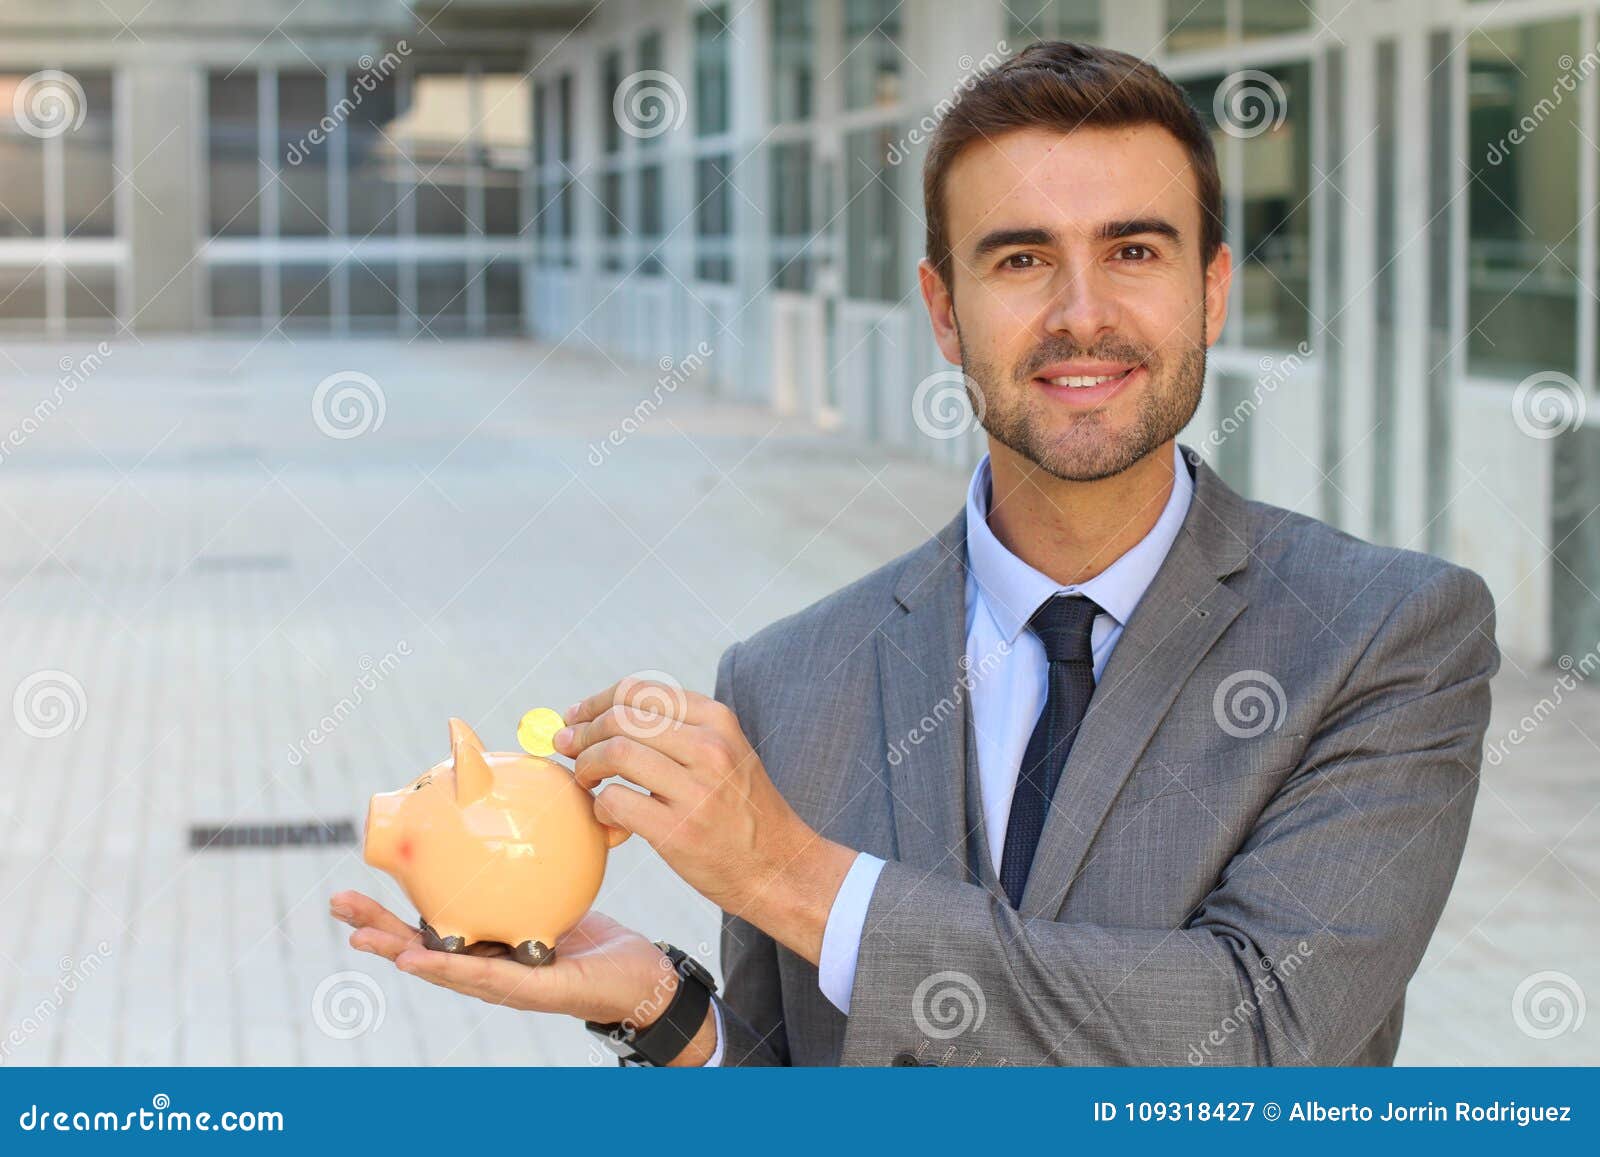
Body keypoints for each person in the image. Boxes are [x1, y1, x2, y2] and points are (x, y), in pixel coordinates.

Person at [331, 41, 1499, 1067]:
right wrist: (654, 1002)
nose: (1080, 314)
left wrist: (790, 876)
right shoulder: (786, 682)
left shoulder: (1384, 637)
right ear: (944, 311)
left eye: (1133, 251)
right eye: (1021, 259)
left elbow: (1255, 1035)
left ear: (1212, 290)